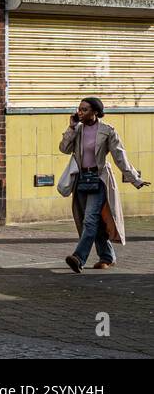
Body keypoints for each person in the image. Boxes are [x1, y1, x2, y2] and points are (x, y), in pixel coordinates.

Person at [60, 96, 149, 272]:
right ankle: (107, 257)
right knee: (94, 222)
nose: (80, 112)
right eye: (79, 109)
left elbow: (120, 157)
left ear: (95, 112)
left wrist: (135, 179)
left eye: (84, 109)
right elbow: (64, 149)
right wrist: (71, 127)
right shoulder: (77, 130)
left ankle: (78, 258)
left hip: (99, 179)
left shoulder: (107, 131)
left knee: (90, 219)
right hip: (81, 180)